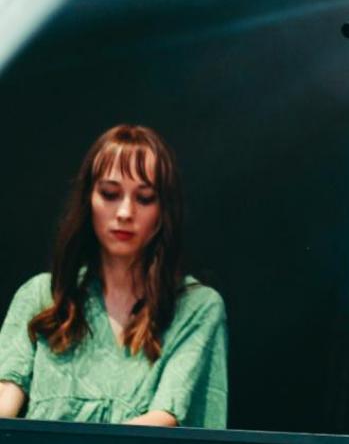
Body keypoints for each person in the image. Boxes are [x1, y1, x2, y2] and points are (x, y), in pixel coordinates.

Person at [0, 125, 227, 427]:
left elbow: (165, 419)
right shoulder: (42, 294)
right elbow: (5, 400)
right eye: (110, 194)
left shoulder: (196, 305)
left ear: (163, 211)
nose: (124, 211)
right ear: (88, 200)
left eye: (144, 198)